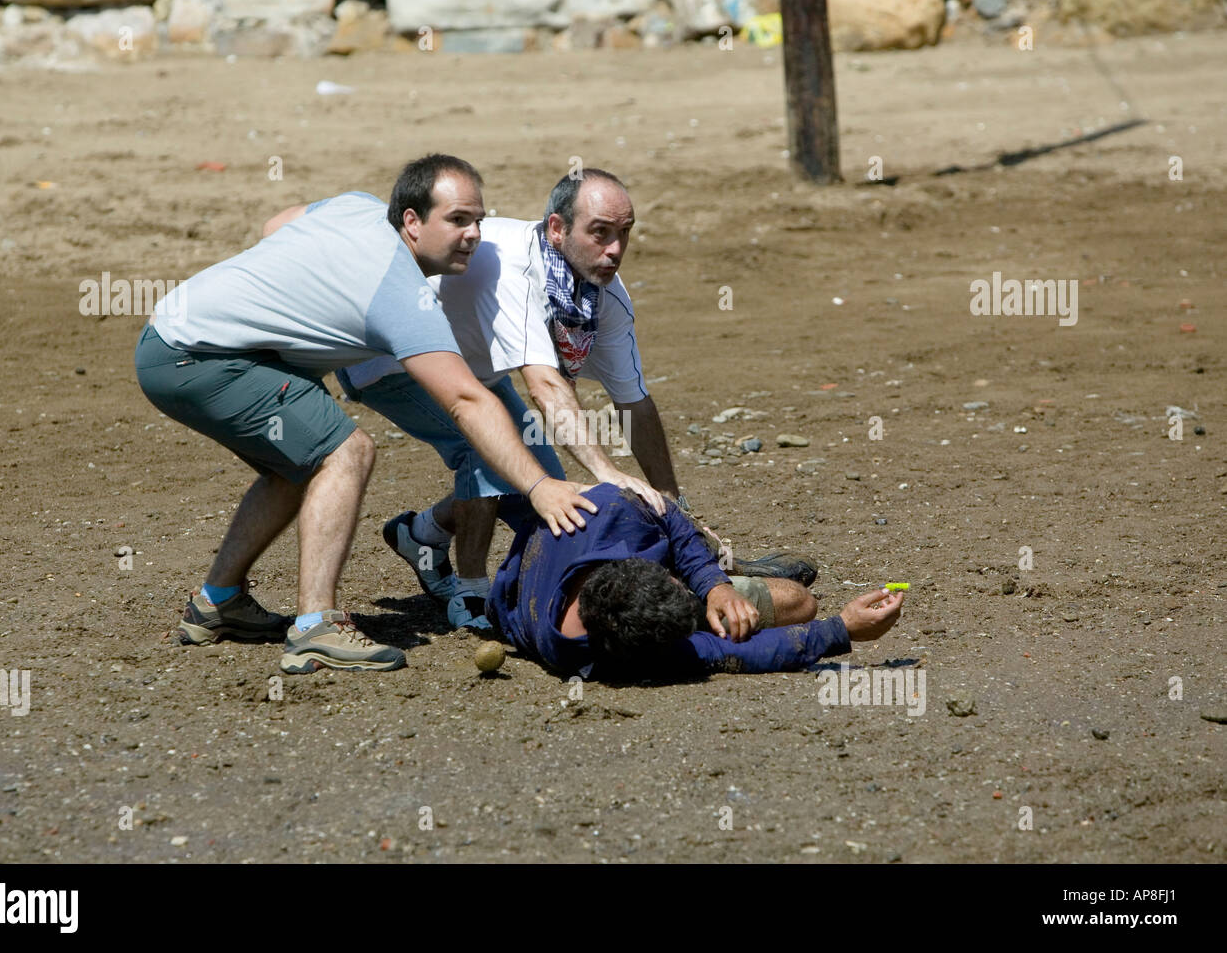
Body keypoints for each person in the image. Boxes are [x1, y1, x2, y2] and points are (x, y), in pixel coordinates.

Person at [135, 154, 597, 675]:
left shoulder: (358, 206)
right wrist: (539, 487)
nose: (472, 235)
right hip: (200, 356)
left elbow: (277, 224)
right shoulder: (400, 295)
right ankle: (316, 627)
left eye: (478, 221)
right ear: (412, 221)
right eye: (458, 220)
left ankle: (218, 602)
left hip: (173, 339)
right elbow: (466, 400)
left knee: (294, 465)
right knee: (345, 452)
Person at [332, 169, 680, 631]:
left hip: (470, 370)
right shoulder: (509, 266)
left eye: (624, 233)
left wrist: (673, 507)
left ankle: (421, 533)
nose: (615, 249)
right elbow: (545, 386)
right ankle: (471, 593)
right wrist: (608, 473)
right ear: (557, 228)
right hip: (387, 363)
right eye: (600, 232)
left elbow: (634, 402)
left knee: (542, 483)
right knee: (487, 449)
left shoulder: (604, 294)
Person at [486, 483, 905, 681]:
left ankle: (722, 568)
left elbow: (666, 513)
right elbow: (725, 652)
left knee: (776, 596)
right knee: (799, 602)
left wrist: (711, 585)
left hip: (558, 555)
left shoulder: (606, 511)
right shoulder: (613, 657)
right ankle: (730, 569)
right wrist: (841, 629)